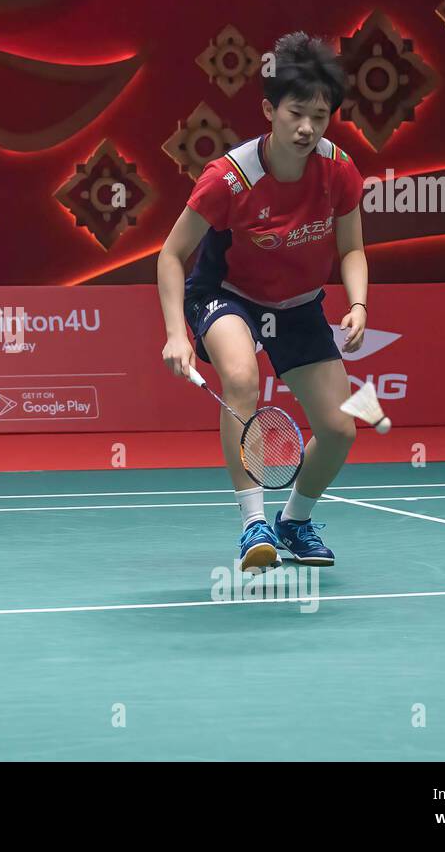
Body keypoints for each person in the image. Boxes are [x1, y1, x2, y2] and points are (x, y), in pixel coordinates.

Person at [157, 31, 368, 573]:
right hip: (227, 297)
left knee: (340, 428)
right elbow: (171, 255)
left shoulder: (338, 170)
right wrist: (177, 334)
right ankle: (253, 523)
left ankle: (294, 521)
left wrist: (359, 304)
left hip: (298, 304)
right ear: (270, 110)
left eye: (320, 117)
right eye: (296, 113)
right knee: (243, 380)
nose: (307, 128)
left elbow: (352, 249)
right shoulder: (229, 180)